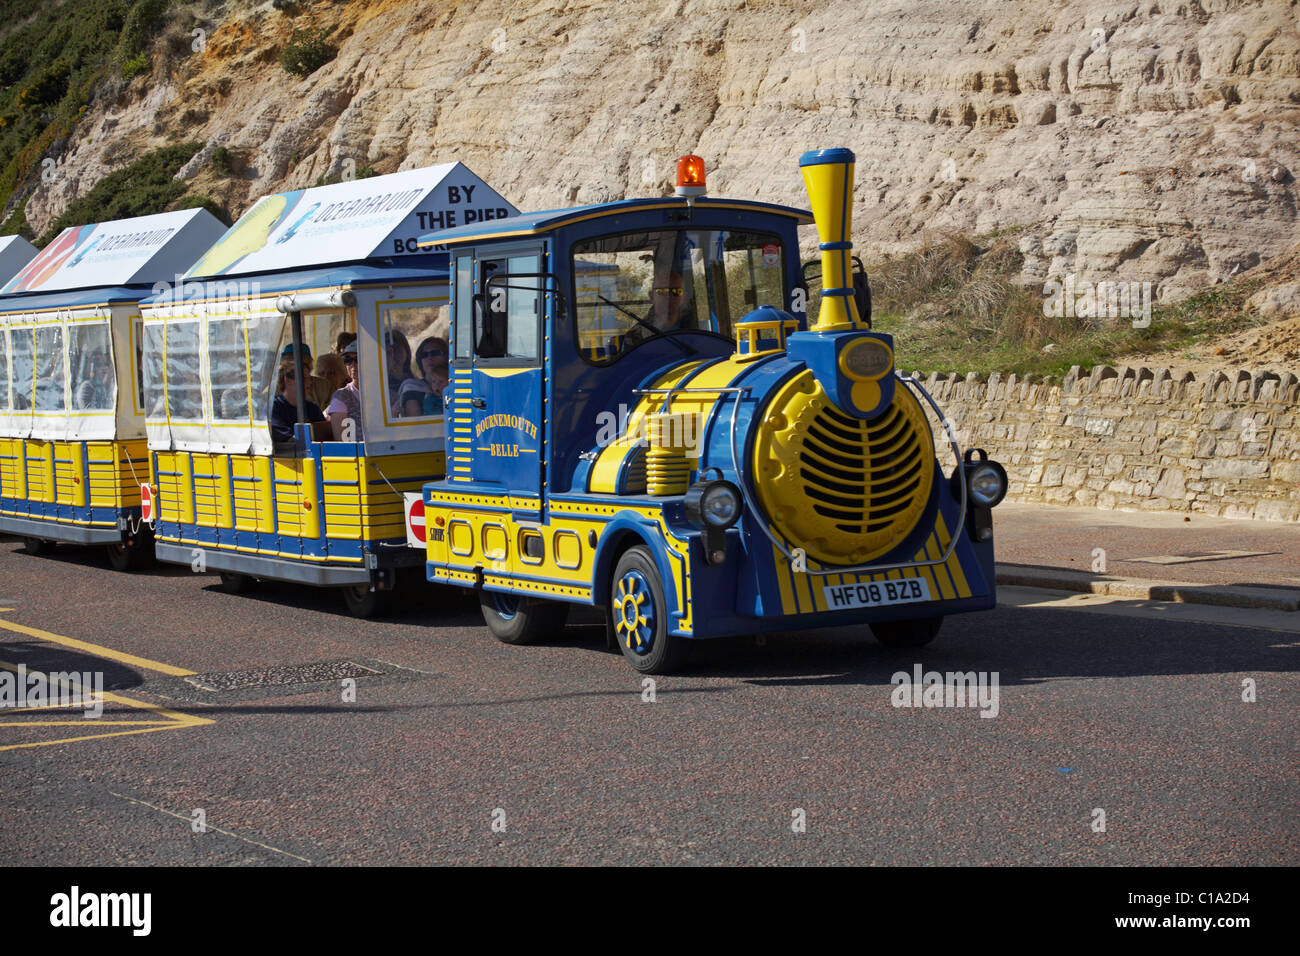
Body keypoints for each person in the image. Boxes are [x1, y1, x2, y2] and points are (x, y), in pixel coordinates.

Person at [270, 365, 328, 443]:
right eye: (304, 379)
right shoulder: (274, 408)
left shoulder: (312, 408)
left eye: (309, 379)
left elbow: (325, 435)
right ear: (287, 380)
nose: (309, 383)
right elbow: (288, 440)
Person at [401, 336, 450, 416]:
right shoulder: (412, 388)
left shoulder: (459, 384)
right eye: (424, 355)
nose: (429, 358)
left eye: (435, 353)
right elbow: (415, 423)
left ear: (446, 357)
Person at [327, 340, 363, 441]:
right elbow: (343, 443)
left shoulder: (387, 393)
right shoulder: (341, 397)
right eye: (347, 360)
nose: (352, 364)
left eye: (358, 359)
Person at [385, 328, 421, 415]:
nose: (393, 354)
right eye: (389, 352)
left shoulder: (415, 383)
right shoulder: (380, 386)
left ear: (406, 352)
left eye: (397, 349)